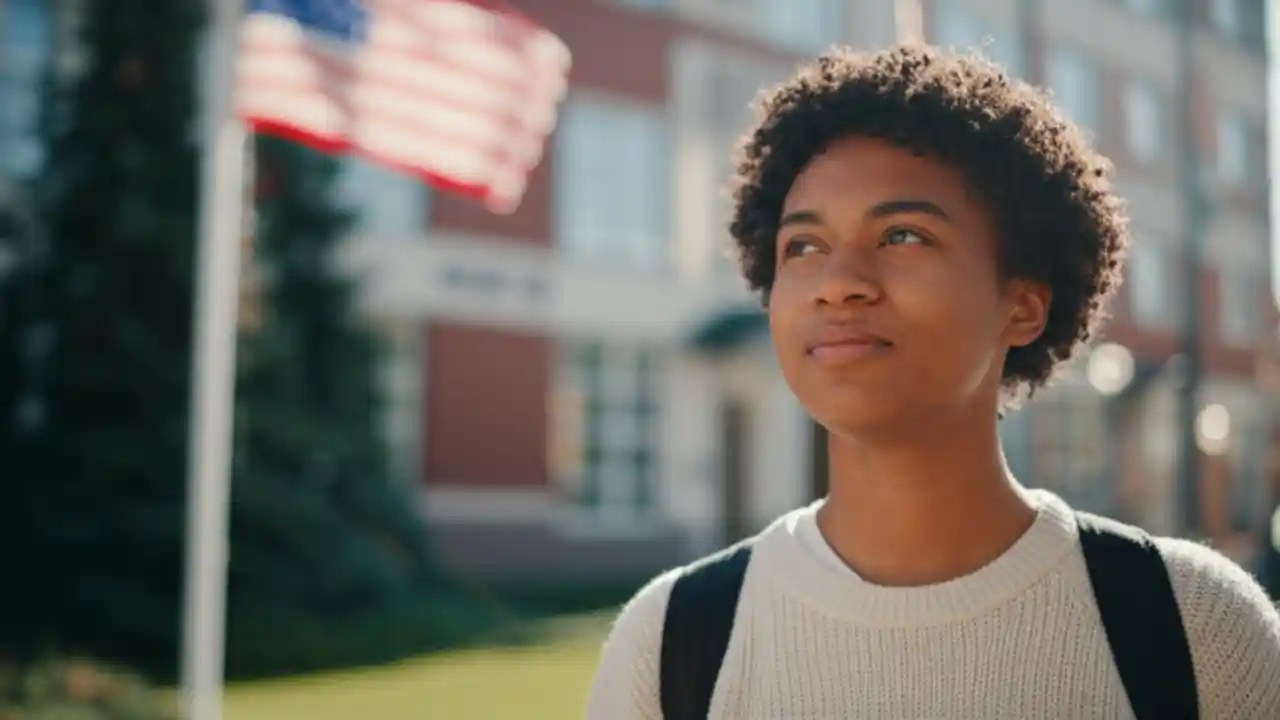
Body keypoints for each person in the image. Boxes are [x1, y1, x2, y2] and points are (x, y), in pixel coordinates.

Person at [586, 45, 1280, 719]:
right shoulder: (671, 645)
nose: (838, 285)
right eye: (803, 246)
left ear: (1023, 305)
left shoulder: (1194, 626)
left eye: (902, 236)